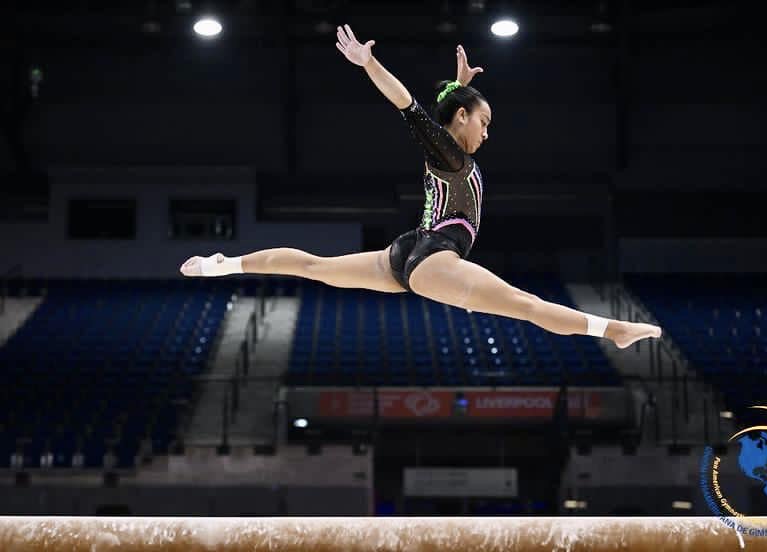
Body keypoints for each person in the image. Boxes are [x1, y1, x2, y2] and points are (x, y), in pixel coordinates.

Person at [180, 24, 661, 349]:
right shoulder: (451, 152)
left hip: (409, 251)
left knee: (314, 266)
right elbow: (410, 107)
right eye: (484, 121)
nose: (487, 132)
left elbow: (440, 121)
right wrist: (369, 64)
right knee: (525, 305)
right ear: (461, 119)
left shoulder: (449, 151)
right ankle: (612, 329)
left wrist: (458, 86)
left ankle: (224, 265)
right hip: (434, 257)